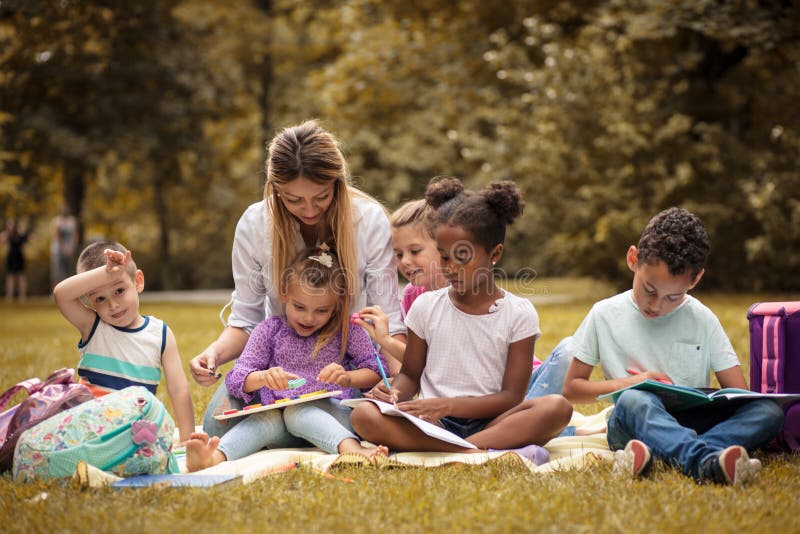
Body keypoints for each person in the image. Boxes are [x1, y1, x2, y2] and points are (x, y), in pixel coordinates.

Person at [189, 120, 405, 438]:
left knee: (331, 413)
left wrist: (400, 388)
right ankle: (303, 426)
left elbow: (390, 322)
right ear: (275, 189)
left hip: (345, 369)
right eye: (293, 200)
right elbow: (246, 321)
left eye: (320, 197)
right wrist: (214, 355)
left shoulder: (368, 222)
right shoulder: (254, 224)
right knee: (215, 426)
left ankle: (291, 425)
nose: (308, 210)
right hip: (280, 368)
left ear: (337, 183)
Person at [350, 178, 573, 462]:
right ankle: (478, 451)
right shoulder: (425, 306)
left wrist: (446, 405)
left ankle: (459, 449)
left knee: (556, 408)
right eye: (444, 257)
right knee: (363, 415)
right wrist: (396, 393)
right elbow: (410, 374)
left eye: (462, 257)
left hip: (496, 420)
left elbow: (512, 397)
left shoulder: (518, 313)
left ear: (495, 254)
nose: (451, 268)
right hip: (436, 423)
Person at [561, 207, 784, 485]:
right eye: (650, 290)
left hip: (690, 421)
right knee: (634, 399)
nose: (656, 305)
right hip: (632, 422)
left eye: (674, 297)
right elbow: (571, 388)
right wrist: (637, 382)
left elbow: (737, 394)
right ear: (633, 259)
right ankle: (707, 462)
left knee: (768, 412)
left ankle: (660, 453)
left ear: (696, 279)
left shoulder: (702, 318)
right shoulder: (604, 314)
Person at [186, 246, 389, 470]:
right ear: (284, 294)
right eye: (299, 307)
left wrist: (348, 378)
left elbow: (377, 370)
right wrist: (262, 377)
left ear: (336, 305)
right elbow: (236, 377)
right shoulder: (270, 330)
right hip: (284, 425)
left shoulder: (346, 331)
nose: (309, 318)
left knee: (297, 413)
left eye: (321, 311)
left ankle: (354, 449)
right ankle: (213, 459)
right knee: (269, 420)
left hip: (333, 417)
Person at [53, 241, 195, 442]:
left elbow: (179, 389)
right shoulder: (93, 326)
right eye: (100, 299)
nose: (113, 305)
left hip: (134, 432)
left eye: (119, 290)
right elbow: (61, 294)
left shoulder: (160, 334)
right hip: (93, 431)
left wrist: (189, 439)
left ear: (138, 281)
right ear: (89, 299)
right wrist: (108, 273)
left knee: (156, 431)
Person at [352, 198, 449, 362]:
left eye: (415, 251)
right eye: (399, 254)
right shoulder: (412, 294)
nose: (405, 261)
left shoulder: (461, 293)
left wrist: (386, 340)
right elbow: (414, 357)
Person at [50, 205, 79, 289]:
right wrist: (64, 249)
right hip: (58, 251)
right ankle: (55, 292)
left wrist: (72, 248)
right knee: (57, 272)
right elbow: (57, 237)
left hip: (70, 250)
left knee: (70, 271)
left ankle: (70, 291)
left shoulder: (72, 220)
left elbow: (75, 235)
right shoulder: (56, 221)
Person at [1, 218, 30, 301]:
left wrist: (23, 231)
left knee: (21, 276)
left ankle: (22, 295)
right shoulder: (7, 235)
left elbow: (31, 240)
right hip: (11, 256)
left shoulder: (21, 235)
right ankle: (9, 295)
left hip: (19, 256)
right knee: (10, 276)